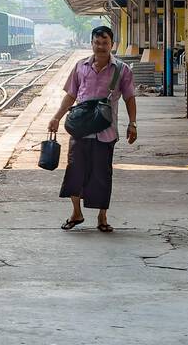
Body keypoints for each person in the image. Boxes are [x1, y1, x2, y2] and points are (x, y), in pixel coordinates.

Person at [48, 26, 138, 234]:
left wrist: (133, 123)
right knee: (75, 170)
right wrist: (56, 117)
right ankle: (76, 213)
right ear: (91, 44)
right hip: (80, 129)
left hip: (105, 131)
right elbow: (70, 95)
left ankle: (102, 216)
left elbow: (130, 98)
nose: (101, 47)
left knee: (102, 174)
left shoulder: (122, 70)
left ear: (112, 44)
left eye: (105, 43)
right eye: (97, 43)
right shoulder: (80, 67)